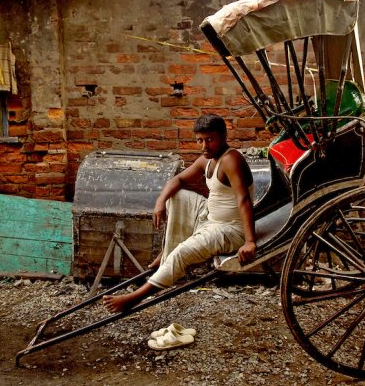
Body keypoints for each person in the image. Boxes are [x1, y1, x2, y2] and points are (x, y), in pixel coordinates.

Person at [103, 114, 256, 312]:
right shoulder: (208, 160)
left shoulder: (231, 159)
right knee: (176, 196)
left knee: (182, 253)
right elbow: (178, 180)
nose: (204, 145)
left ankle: (135, 297)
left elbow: (243, 200)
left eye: (210, 139)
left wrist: (250, 241)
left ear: (223, 136)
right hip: (211, 217)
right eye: (200, 140)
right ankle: (168, 248)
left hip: (231, 229)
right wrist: (160, 202)